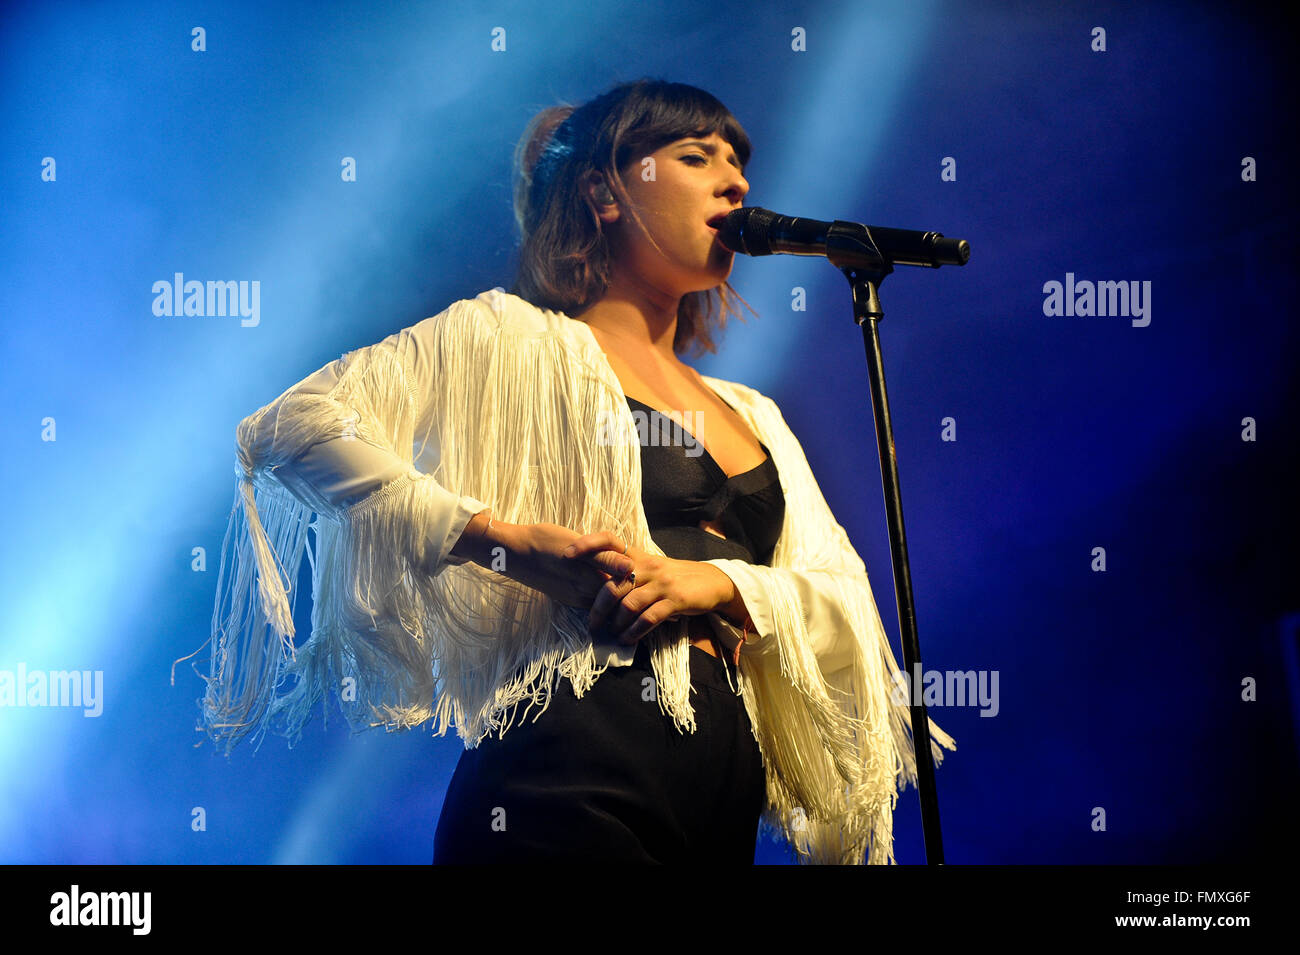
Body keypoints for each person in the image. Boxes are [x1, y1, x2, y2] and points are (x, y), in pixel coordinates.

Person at [194, 78, 955, 865]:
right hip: (568, 767)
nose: (737, 181)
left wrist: (726, 585)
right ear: (604, 191)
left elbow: (846, 600)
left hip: (718, 794)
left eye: (741, 164)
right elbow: (292, 425)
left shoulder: (752, 412)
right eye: (698, 157)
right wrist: (504, 542)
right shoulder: (510, 339)